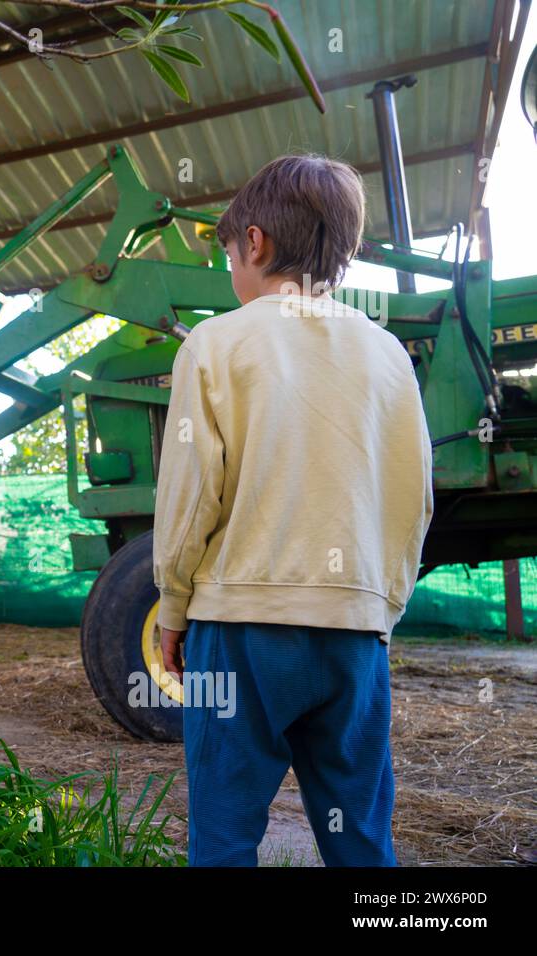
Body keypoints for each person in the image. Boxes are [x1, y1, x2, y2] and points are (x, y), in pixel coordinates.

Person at [152, 154, 434, 866]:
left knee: (223, 835)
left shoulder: (216, 343)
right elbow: (413, 502)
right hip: (354, 631)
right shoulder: (388, 354)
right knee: (362, 838)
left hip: (241, 628)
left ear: (255, 243)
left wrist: (175, 606)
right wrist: (381, 608)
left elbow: (191, 498)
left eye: (230, 259)